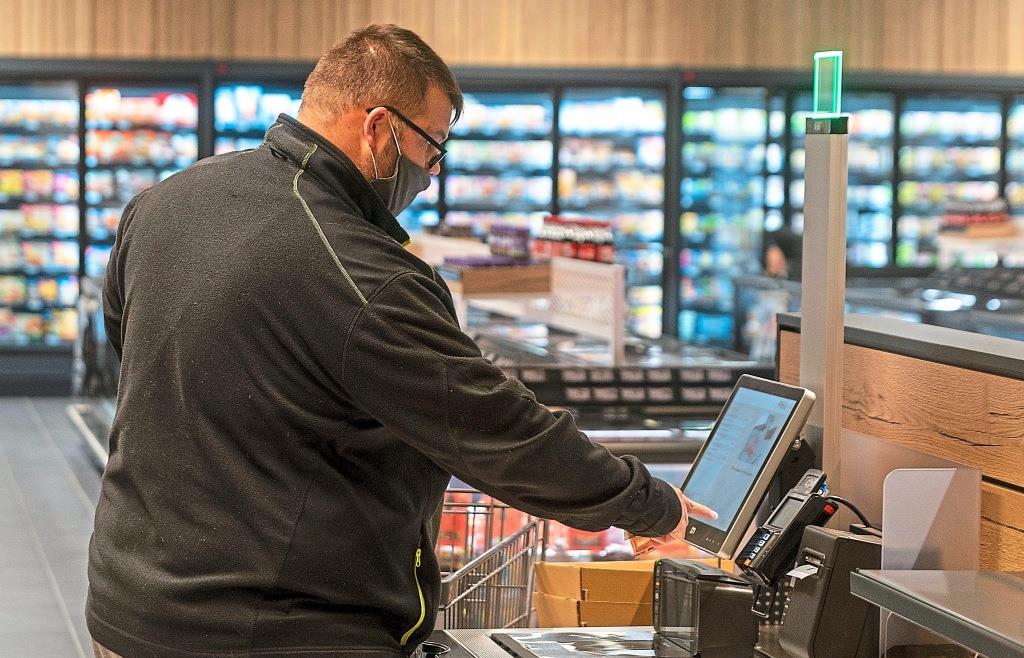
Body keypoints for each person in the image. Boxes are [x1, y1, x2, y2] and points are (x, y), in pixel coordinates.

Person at [87, 24, 716, 657]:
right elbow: (495, 430)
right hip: (274, 630)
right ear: (379, 128)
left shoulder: (163, 204)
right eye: (433, 146)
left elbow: (128, 338)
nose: (432, 173)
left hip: (127, 603)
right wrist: (649, 504)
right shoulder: (361, 269)